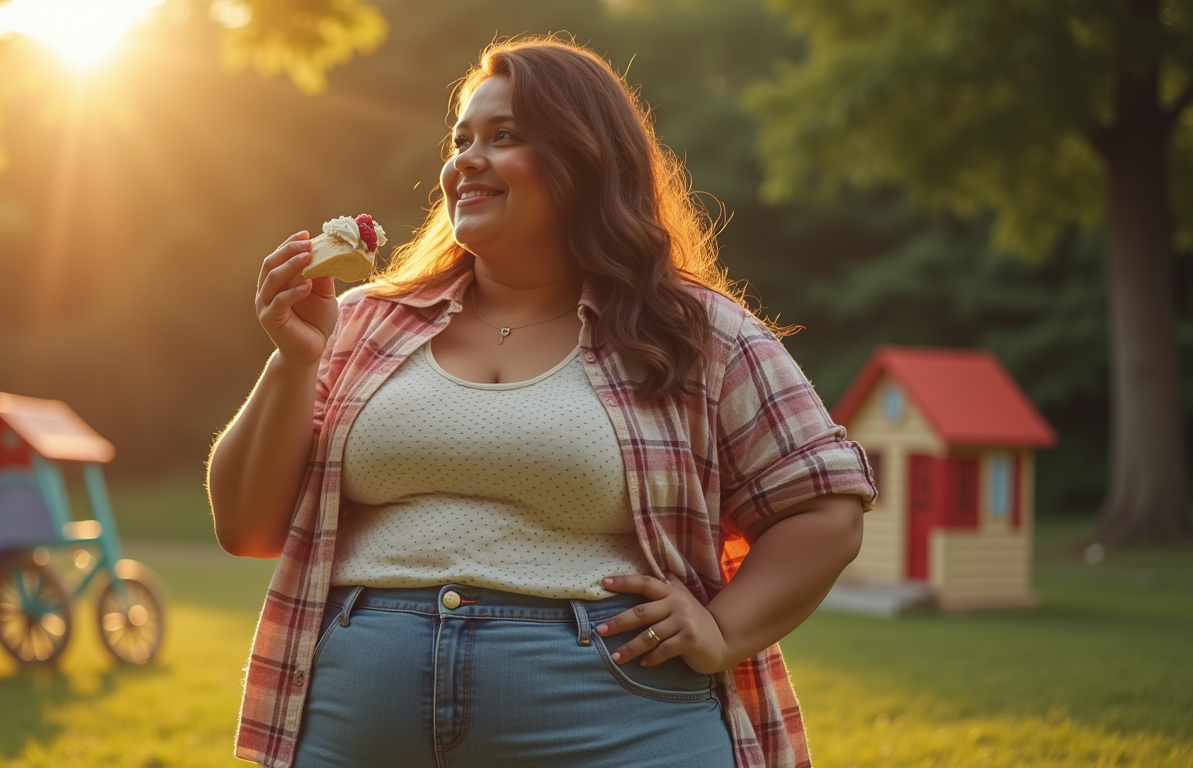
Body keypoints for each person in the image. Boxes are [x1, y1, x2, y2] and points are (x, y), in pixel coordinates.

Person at [207, 36, 877, 768]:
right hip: (354, 728)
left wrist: (725, 630)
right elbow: (247, 525)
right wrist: (294, 357)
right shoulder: (364, 320)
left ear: (584, 160)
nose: (466, 158)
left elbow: (824, 505)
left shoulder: (693, 330)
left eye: (505, 137)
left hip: (620, 726)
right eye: (461, 138)